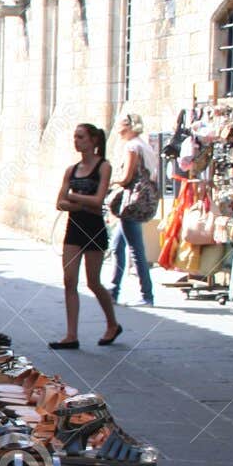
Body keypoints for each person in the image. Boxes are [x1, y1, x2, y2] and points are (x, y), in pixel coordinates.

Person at [51, 122, 121, 349]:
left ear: (93, 140)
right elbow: (60, 202)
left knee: (93, 281)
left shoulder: (103, 166)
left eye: (81, 137)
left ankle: (112, 323)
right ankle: (71, 334)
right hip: (75, 226)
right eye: (75, 137)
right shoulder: (71, 170)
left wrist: (74, 198)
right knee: (69, 279)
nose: (77, 141)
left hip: (94, 227)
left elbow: (99, 201)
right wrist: (80, 202)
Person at [107, 113, 156, 306]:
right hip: (139, 201)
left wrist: (112, 180)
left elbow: (127, 177)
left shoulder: (132, 146)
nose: (117, 129)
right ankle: (113, 291)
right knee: (118, 246)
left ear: (127, 126)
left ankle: (147, 294)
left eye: (120, 125)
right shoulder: (143, 145)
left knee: (135, 249)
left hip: (131, 202)